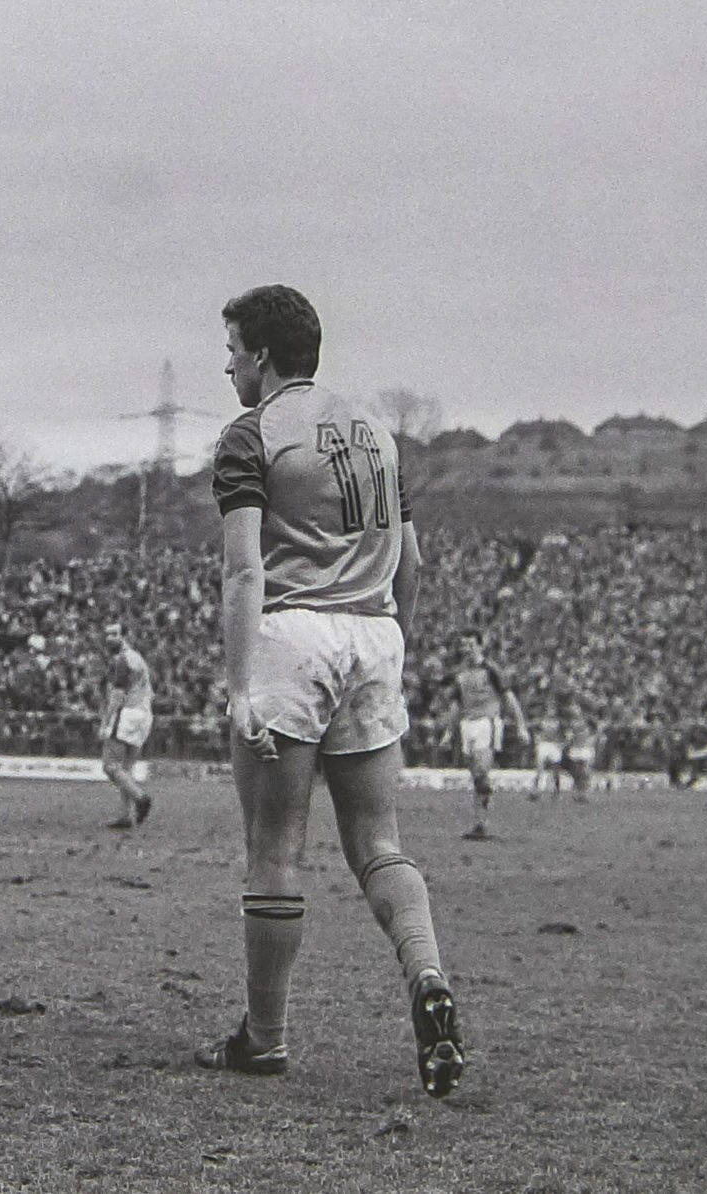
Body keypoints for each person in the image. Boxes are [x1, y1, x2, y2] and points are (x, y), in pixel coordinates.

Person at [195, 284, 466, 1098]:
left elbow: (245, 571)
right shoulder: (377, 433)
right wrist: (392, 646)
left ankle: (265, 1039)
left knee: (275, 848)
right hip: (374, 637)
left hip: (291, 640)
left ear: (262, 354)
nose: (228, 366)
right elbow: (413, 564)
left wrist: (239, 687)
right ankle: (428, 976)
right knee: (379, 844)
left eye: (233, 350)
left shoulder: (251, 435)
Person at [450, 635, 527, 839]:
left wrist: (521, 725)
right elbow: (456, 704)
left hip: (486, 723)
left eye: (470, 644)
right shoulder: (461, 673)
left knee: (482, 772)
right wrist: (449, 731)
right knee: (475, 776)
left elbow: (508, 697)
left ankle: (484, 821)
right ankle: (479, 824)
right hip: (467, 724)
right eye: (464, 645)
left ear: (480, 646)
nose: (467, 648)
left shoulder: (491, 670)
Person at [98, 621, 155, 829]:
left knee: (110, 766)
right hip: (144, 714)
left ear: (124, 636)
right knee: (126, 768)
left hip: (128, 714)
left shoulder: (121, 660)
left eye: (114, 634)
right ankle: (125, 816)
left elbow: (117, 694)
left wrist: (105, 721)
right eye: (107, 634)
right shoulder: (137, 658)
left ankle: (141, 798)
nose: (109, 638)